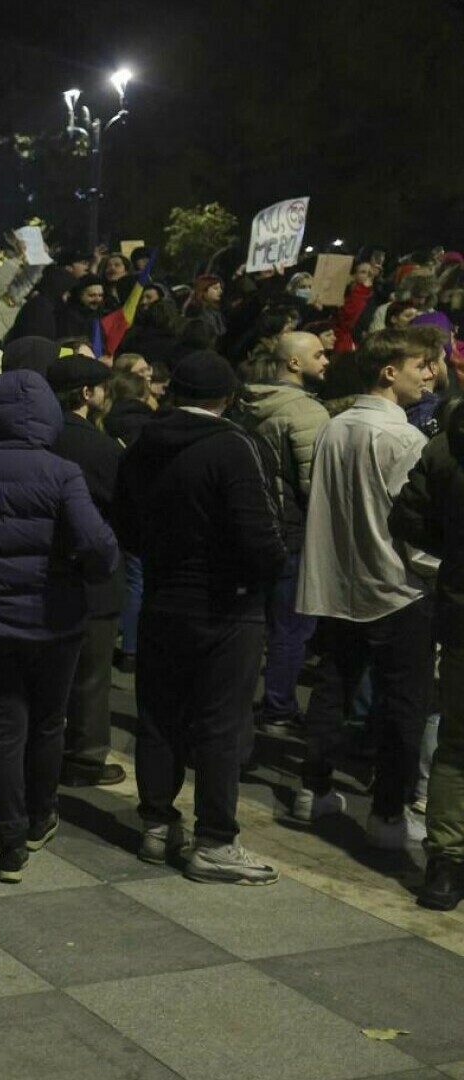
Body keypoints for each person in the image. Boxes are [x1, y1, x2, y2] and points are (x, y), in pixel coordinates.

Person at [113, 351, 285, 884]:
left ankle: (157, 824)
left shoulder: (144, 444)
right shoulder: (233, 446)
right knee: (220, 723)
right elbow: (258, 534)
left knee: (160, 717)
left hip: (164, 598)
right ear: (227, 397)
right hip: (226, 604)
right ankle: (214, 839)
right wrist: (268, 572)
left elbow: (125, 523)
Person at [0, 368, 119, 882]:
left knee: (1, 726)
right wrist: (91, 571)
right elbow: (96, 545)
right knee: (49, 723)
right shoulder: (62, 472)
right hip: (55, 619)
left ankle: (8, 842)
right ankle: (38, 817)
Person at [294, 330, 438, 849]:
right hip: (397, 589)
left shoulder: (334, 428)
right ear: (389, 371)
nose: (430, 374)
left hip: (340, 584)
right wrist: (436, 570)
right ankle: (388, 815)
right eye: (422, 364)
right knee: (403, 706)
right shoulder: (404, 438)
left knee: (332, 688)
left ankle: (313, 788)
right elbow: (414, 525)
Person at [389, 394, 464, 910]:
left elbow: (408, 519)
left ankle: (445, 866)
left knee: (457, 745)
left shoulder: (446, 444)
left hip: (460, 613)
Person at [237, 331, 331, 732]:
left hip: (256, 527)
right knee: (292, 628)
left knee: (252, 624)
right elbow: (317, 486)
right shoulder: (306, 413)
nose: (327, 361)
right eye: (319, 355)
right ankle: (279, 708)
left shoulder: (249, 403)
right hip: (293, 532)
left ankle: (240, 703)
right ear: (294, 363)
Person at [45, 356, 129, 788]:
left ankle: (41, 751)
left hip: (41, 571)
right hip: (92, 575)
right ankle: (85, 756)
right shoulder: (101, 449)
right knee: (92, 675)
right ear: (86, 393)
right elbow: (126, 510)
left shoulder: (36, 438)